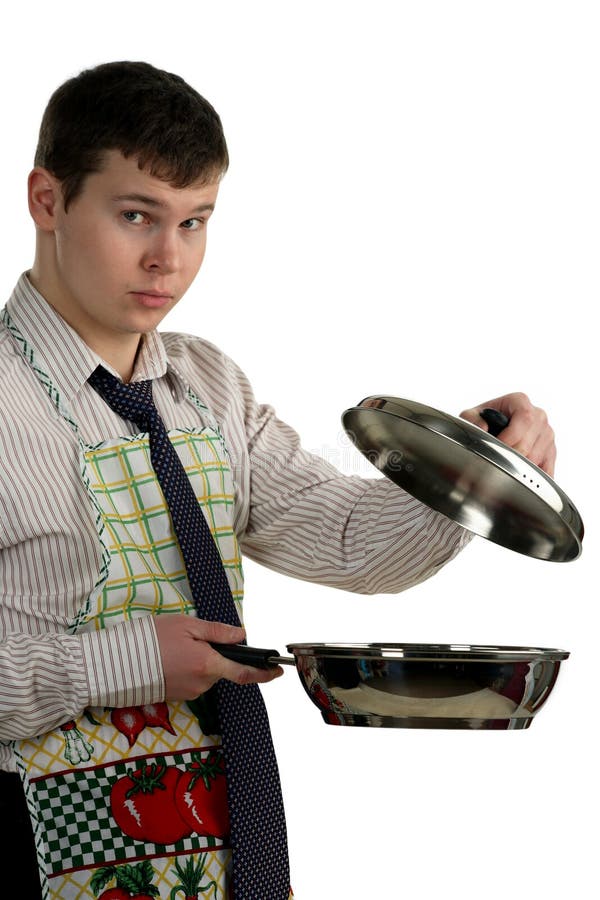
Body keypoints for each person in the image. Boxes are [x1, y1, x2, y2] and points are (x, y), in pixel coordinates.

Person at [0, 61, 556, 899]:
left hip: (227, 847)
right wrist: (121, 662)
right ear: (48, 200)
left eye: (194, 222)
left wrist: (465, 465)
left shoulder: (212, 388)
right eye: (135, 215)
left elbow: (348, 541)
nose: (167, 258)